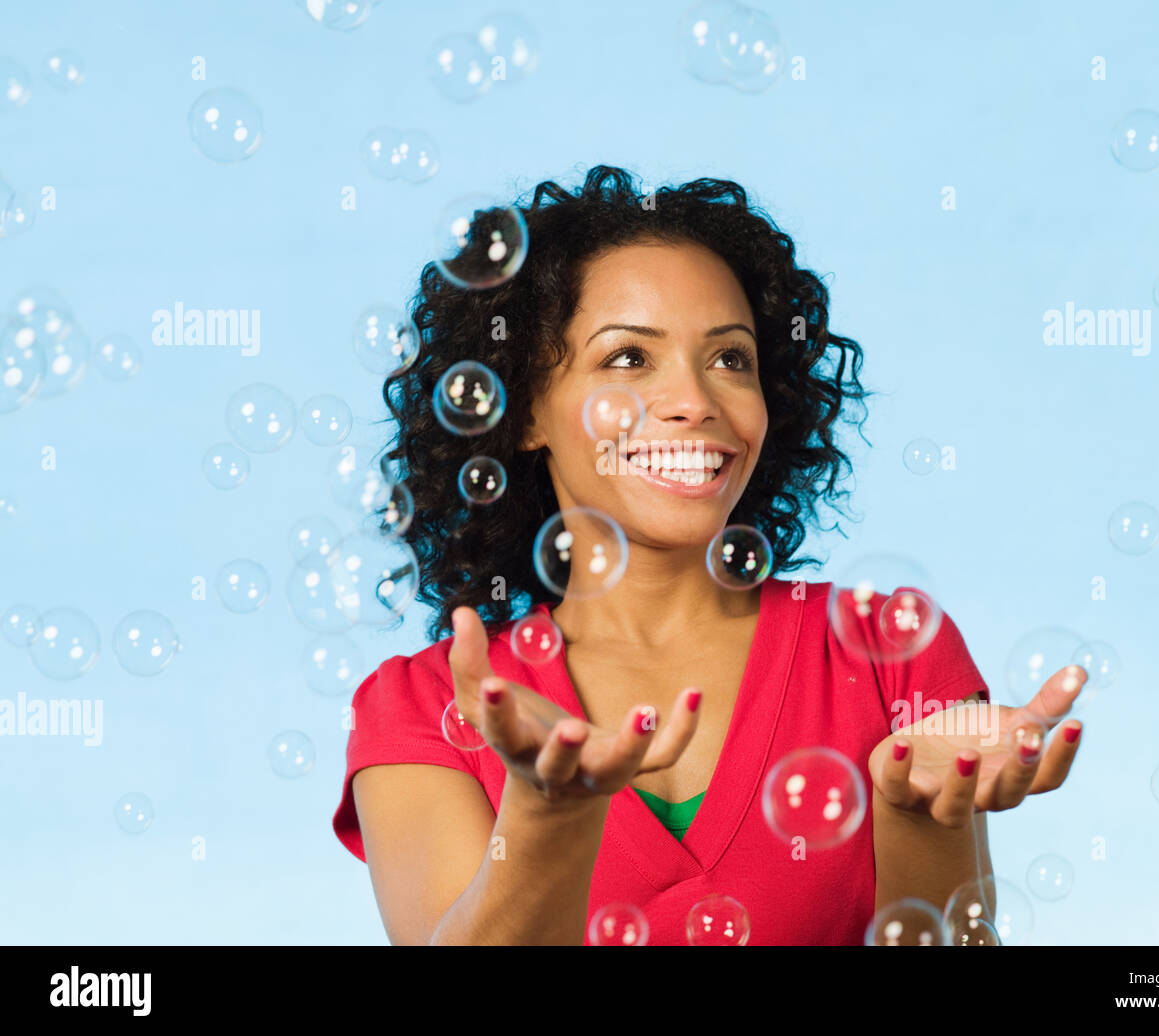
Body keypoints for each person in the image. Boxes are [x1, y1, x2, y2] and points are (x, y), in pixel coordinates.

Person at [331, 165, 1086, 945]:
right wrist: (547, 813)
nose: (696, 400)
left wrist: (917, 816)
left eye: (731, 359)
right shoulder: (423, 710)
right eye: (628, 358)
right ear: (523, 413)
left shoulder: (888, 649)